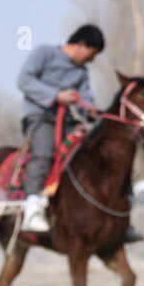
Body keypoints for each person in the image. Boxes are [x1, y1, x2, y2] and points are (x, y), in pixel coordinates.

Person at [16, 25, 103, 232]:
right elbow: (24, 80)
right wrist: (56, 96)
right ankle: (32, 208)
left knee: (91, 153)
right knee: (44, 154)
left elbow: (86, 97)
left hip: (69, 122)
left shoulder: (82, 72)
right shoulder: (44, 53)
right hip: (40, 117)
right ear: (81, 45)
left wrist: (90, 110)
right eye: (92, 54)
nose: (92, 60)